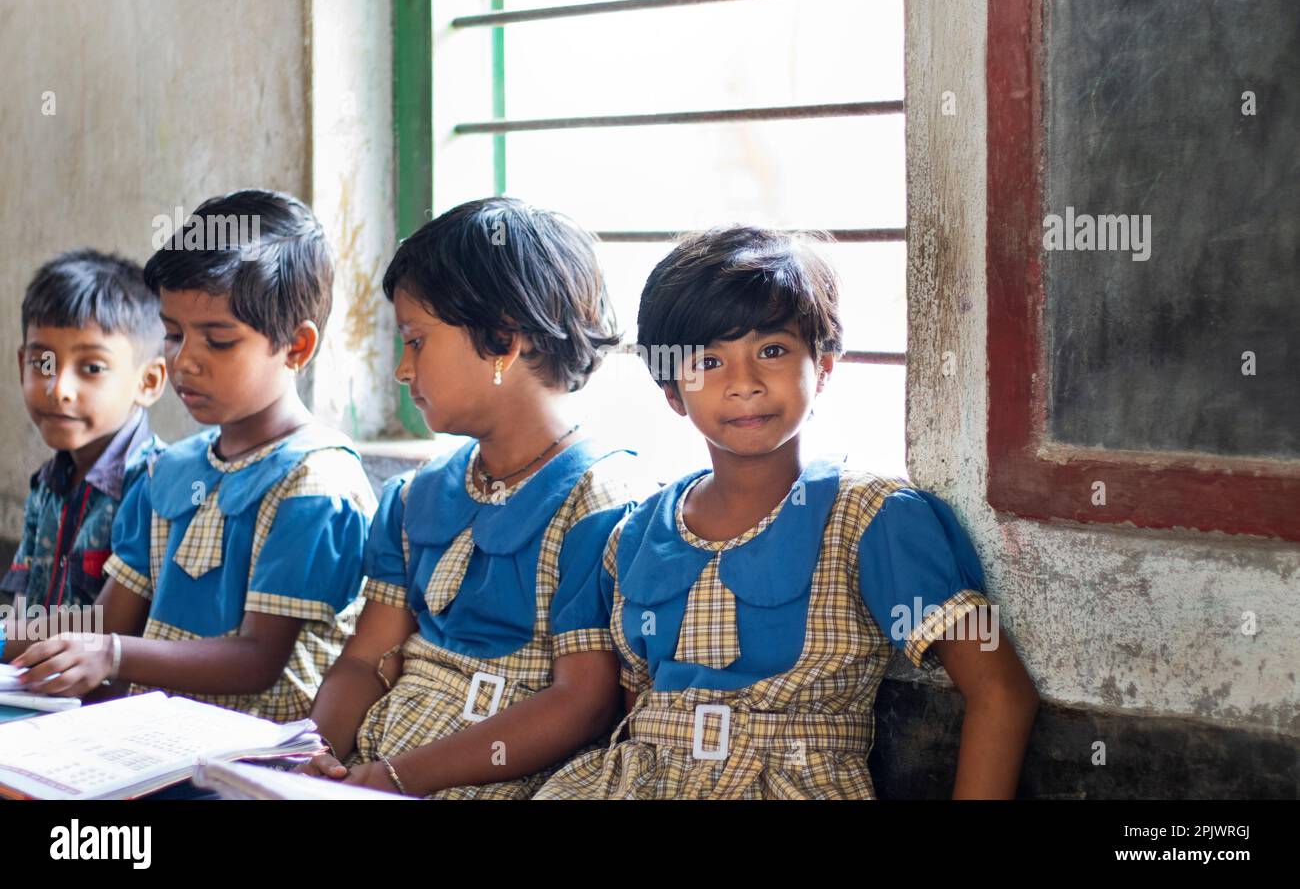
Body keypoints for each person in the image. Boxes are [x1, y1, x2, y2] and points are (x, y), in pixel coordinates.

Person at [534, 226, 1039, 799]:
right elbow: (636, 712)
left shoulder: (874, 518)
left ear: (823, 365)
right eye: (707, 361)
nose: (744, 385)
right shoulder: (635, 532)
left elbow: (1001, 693)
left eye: (771, 351)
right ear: (672, 390)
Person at [301, 197, 655, 797]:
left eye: (415, 341)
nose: (402, 370)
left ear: (502, 340)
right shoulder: (416, 497)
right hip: (370, 770)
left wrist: (395, 779)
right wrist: (315, 755)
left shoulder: (597, 501)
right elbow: (365, 661)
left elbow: (582, 703)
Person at [14, 190, 376, 723]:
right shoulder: (170, 471)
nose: (184, 362)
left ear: (296, 347)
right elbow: (105, 623)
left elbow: (256, 661)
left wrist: (112, 655)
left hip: (254, 755)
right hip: (148, 734)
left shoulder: (316, 483)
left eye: (219, 341)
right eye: (173, 334)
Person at [1, 250, 167, 661]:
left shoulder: (157, 484)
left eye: (91, 368)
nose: (58, 389)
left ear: (147, 381)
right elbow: (22, 604)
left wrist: (4, 639)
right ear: (22, 363)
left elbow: (106, 627)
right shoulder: (48, 481)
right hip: (37, 689)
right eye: (42, 363)